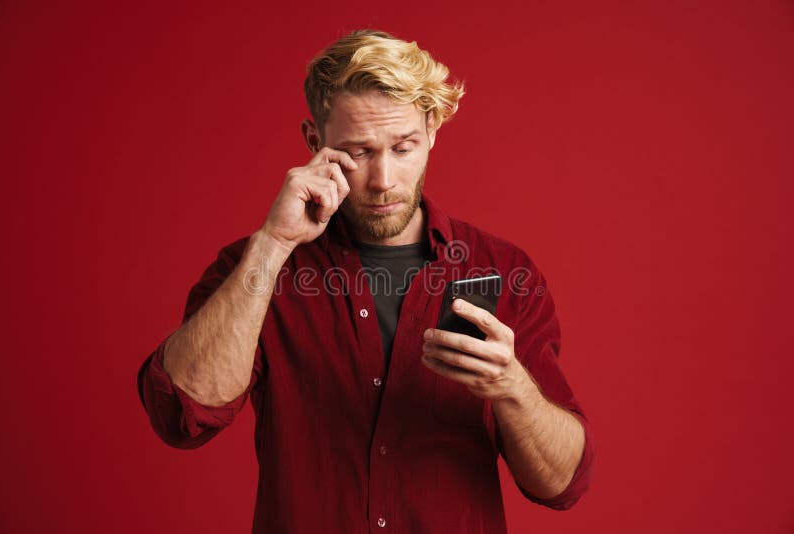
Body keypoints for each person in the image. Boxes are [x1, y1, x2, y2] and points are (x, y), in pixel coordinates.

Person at [137, 29, 594, 533]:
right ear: (316, 143)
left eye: (403, 148)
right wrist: (272, 244)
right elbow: (182, 415)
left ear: (433, 131)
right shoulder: (254, 269)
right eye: (358, 151)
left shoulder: (506, 272)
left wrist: (511, 388)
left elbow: (562, 483)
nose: (382, 180)